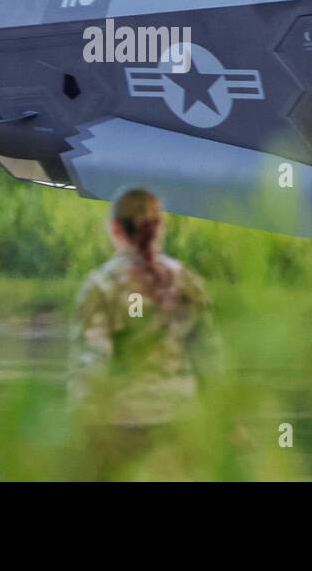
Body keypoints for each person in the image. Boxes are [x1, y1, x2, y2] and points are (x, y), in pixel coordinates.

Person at [68, 187, 219, 478]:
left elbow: (93, 362)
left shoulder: (101, 285)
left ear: (115, 230)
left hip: (119, 427)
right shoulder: (186, 281)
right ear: (160, 227)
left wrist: (81, 425)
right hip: (178, 424)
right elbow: (209, 359)